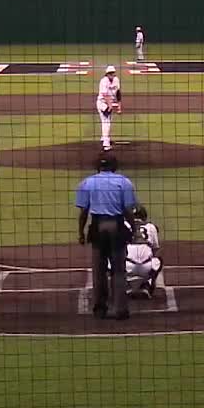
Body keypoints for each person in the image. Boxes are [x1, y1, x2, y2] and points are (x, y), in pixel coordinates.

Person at [75, 154, 138, 319]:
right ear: (115, 166)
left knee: (99, 270)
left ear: (98, 167)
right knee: (118, 270)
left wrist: (81, 233)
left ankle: (99, 309)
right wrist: (134, 228)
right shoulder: (124, 182)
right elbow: (127, 210)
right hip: (116, 226)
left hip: (97, 227)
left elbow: (84, 212)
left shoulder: (88, 182)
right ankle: (120, 310)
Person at [124, 205, 163, 299]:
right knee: (158, 260)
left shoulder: (123, 225)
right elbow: (155, 249)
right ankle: (147, 284)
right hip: (146, 267)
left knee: (111, 258)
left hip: (126, 267)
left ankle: (124, 285)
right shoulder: (151, 227)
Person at [96, 65, 122, 150]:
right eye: (109, 73)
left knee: (107, 121)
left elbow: (118, 93)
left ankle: (104, 137)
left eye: (112, 73)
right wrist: (110, 105)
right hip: (102, 103)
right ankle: (106, 143)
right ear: (106, 74)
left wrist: (119, 106)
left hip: (109, 103)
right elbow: (105, 94)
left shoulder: (116, 80)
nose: (111, 74)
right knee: (106, 122)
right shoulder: (103, 81)